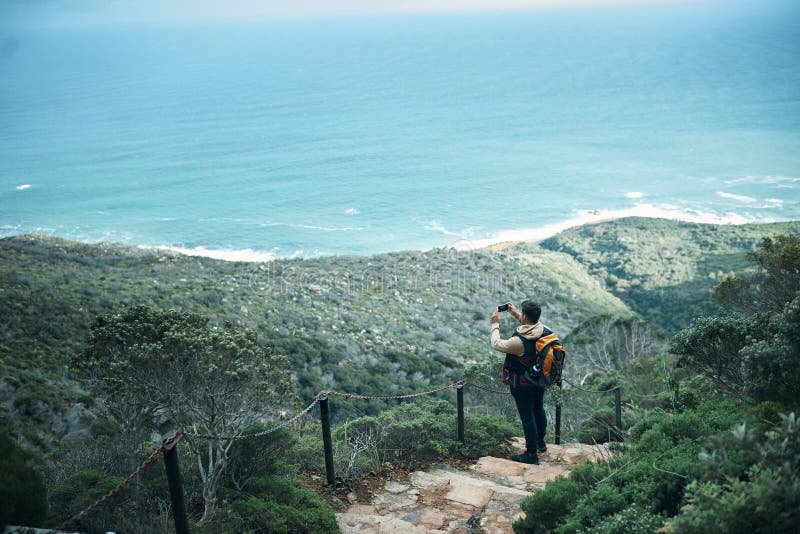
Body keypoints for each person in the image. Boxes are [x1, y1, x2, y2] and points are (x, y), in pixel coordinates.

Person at [490, 300, 548, 465]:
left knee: (527, 418)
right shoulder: (543, 329)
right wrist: (515, 312)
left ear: (525, 316)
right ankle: (540, 443)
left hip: (522, 384)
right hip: (538, 379)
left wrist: (495, 324)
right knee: (539, 410)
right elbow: (530, 326)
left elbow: (497, 344)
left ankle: (531, 454)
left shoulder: (518, 343)